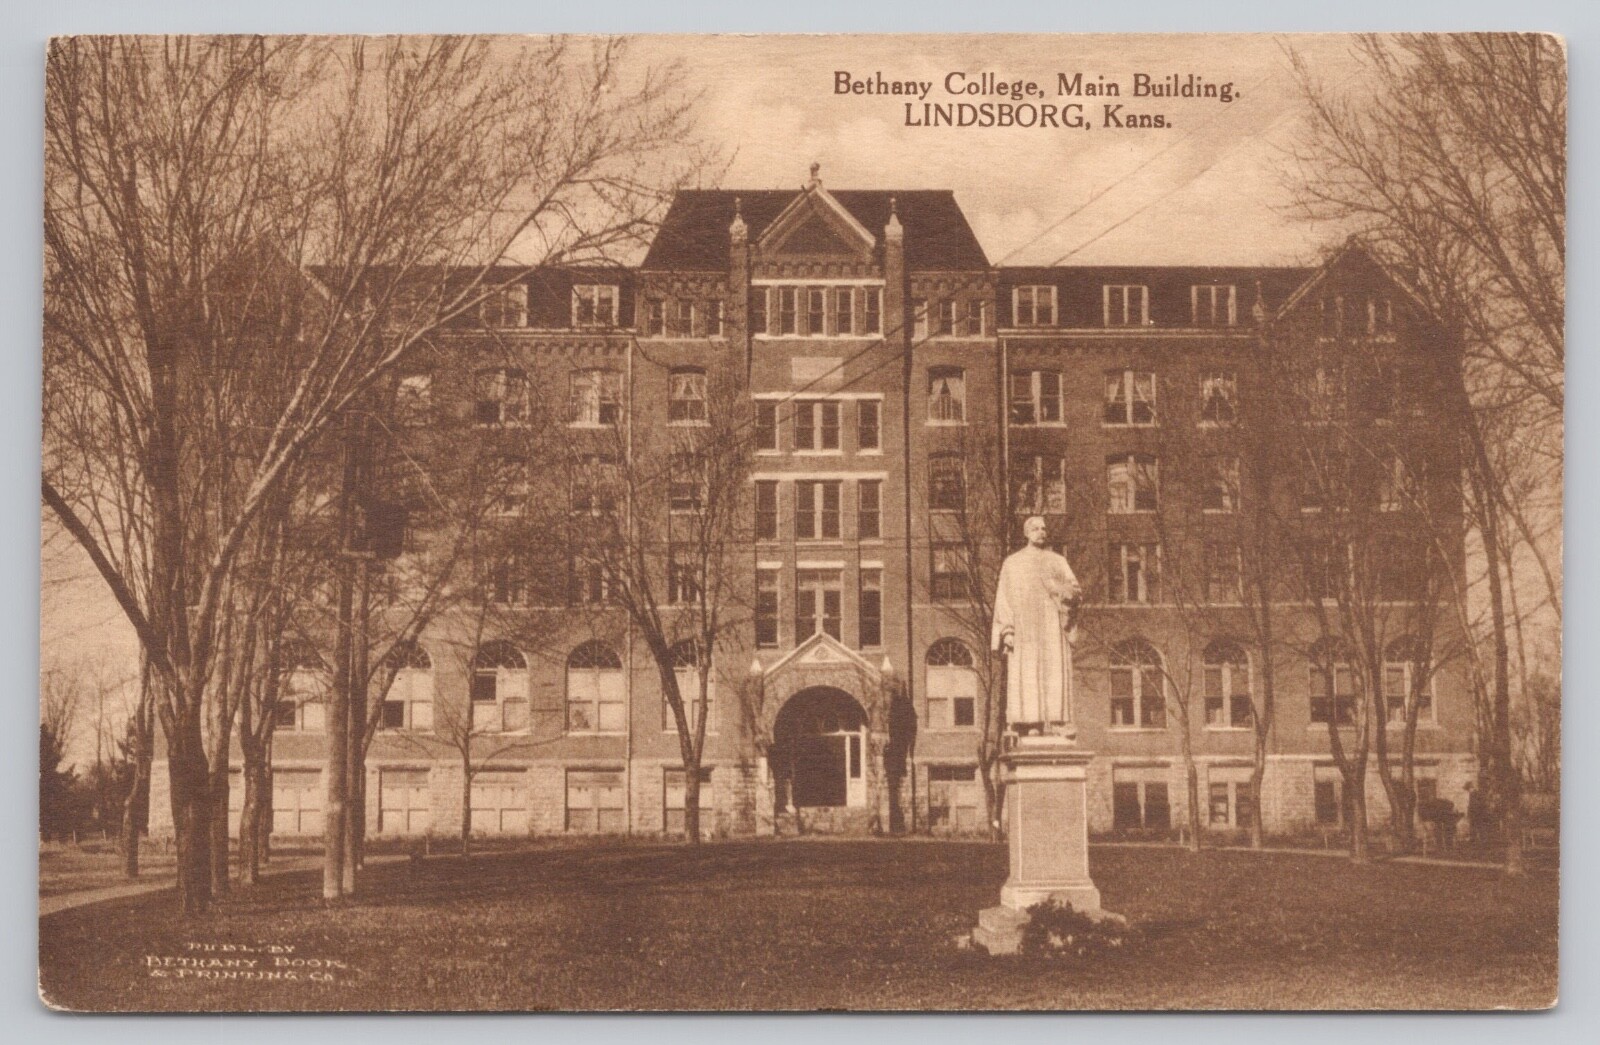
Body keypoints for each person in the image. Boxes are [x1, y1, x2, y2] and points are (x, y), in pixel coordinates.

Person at [991, 516, 1081, 736]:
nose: (1042, 532)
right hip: (1025, 627)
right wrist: (1007, 630)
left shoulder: (1057, 560)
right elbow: (1004, 597)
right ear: (1026, 533)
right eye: (1036, 528)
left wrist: (1060, 590)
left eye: (1044, 529)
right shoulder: (1013, 562)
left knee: (1054, 669)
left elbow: (1075, 590)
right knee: (1027, 671)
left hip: (1052, 623)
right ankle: (1031, 722)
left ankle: (1058, 721)